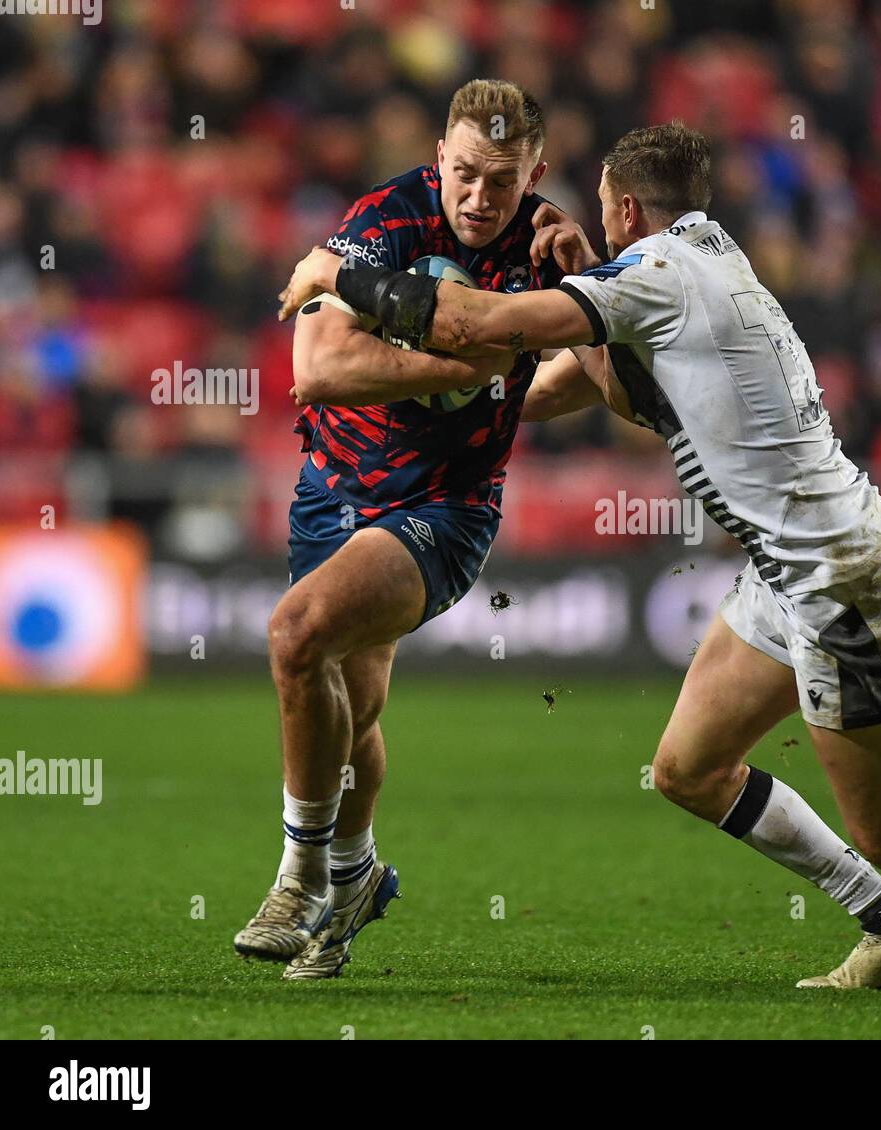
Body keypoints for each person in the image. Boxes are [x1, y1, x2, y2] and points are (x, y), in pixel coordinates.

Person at [276, 122, 881, 990]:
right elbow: (603, 388)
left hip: (840, 579)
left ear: (620, 205)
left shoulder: (649, 274)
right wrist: (482, 398)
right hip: (791, 565)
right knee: (689, 769)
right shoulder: (703, 258)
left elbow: (479, 325)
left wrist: (340, 276)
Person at [235, 79, 573, 980]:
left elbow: (533, 361)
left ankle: (300, 876)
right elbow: (318, 370)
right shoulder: (383, 215)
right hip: (332, 486)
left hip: (448, 506)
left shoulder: (549, 253)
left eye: (502, 181)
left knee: (296, 634)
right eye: (464, 173)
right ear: (439, 158)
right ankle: (355, 880)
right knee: (354, 703)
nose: (477, 197)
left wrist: (474, 359)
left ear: (534, 173)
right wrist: (458, 357)